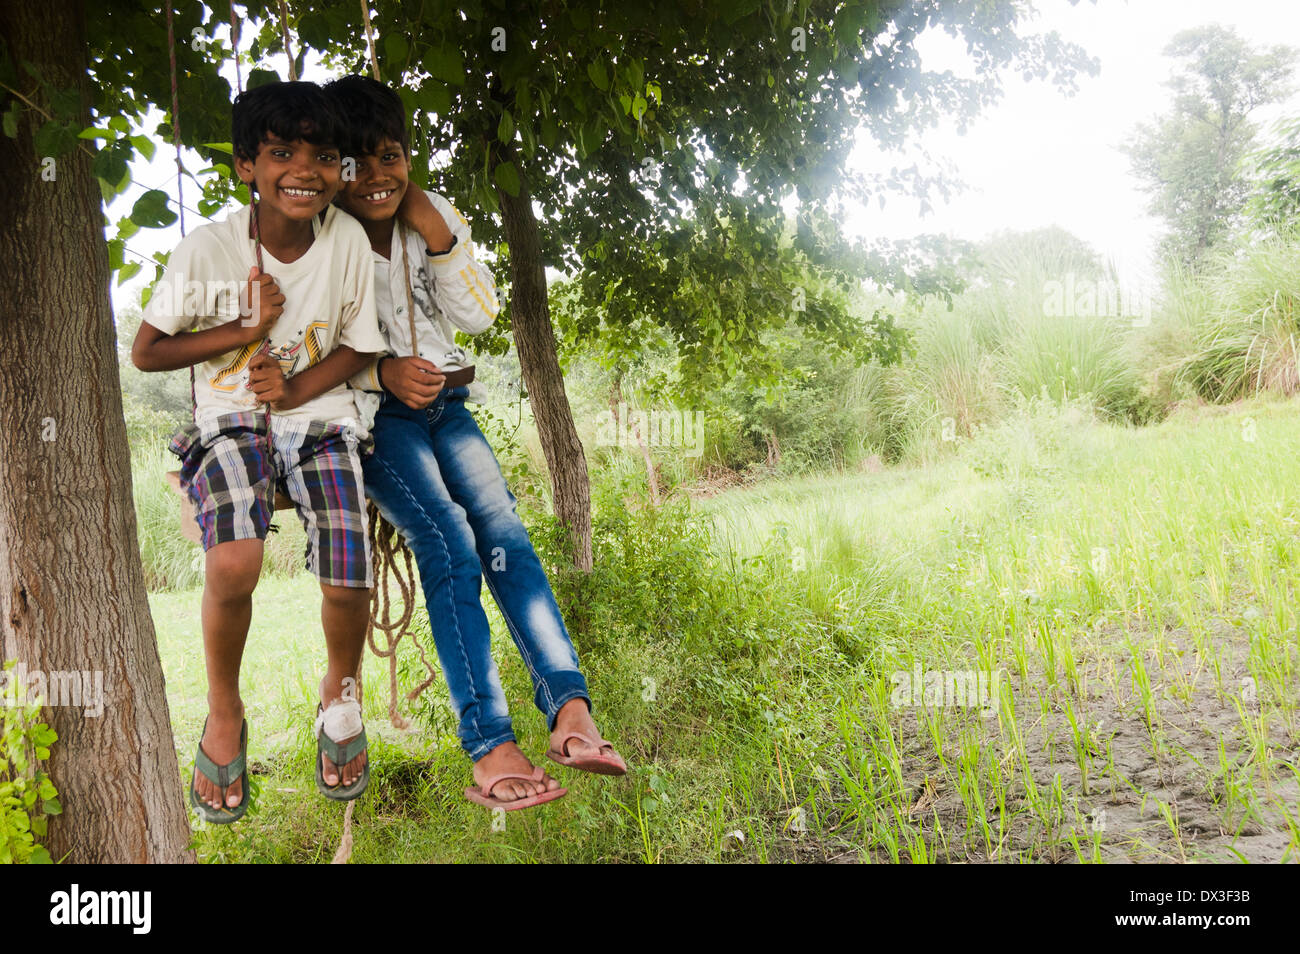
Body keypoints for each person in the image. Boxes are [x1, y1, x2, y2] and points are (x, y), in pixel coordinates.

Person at [325, 75, 627, 811]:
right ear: (331, 168)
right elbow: (297, 350)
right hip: (374, 421)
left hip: (449, 407)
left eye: (389, 158)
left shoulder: (430, 218)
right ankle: (490, 743)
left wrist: (438, 233)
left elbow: (484, 314)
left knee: (506, 536)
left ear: (407, 156)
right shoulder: (316, 238)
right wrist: (380, 369)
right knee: (452, 545)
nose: (374, 178)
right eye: (354, 165)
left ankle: (568, 710)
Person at [132, 80, 387, 821]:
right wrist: (245, 329)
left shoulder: (345, 241)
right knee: (234, 560)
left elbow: (364, 347)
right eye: (282, 152)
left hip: (321, 416)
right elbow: (147, 352)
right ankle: (223, 710)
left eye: (322, 155)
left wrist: (299, 388)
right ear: (247, 164)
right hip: (230, 416)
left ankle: (342, 697)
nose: (303, 170)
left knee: (347, 571)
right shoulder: (208, 247)